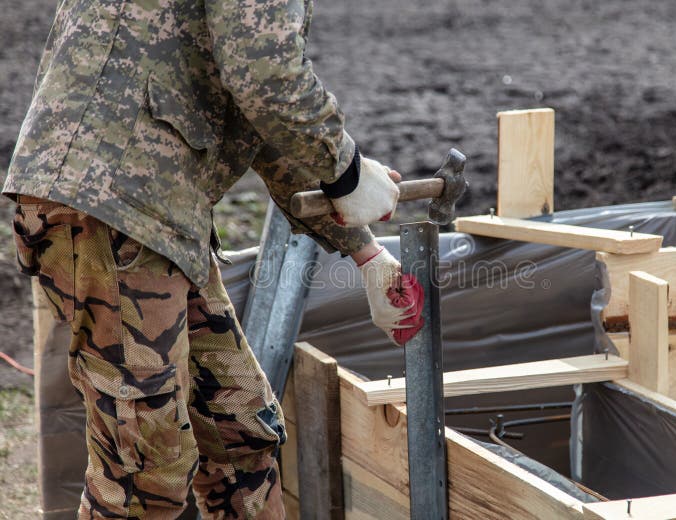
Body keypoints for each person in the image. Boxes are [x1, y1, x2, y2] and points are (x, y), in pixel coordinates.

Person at [4, 0, 411, 517]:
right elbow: (265, 73)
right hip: (110, 205)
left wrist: (365, 253)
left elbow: (257, 108)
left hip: (157, 214)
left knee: (240, 433)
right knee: (144, 477)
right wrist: (345, 170)